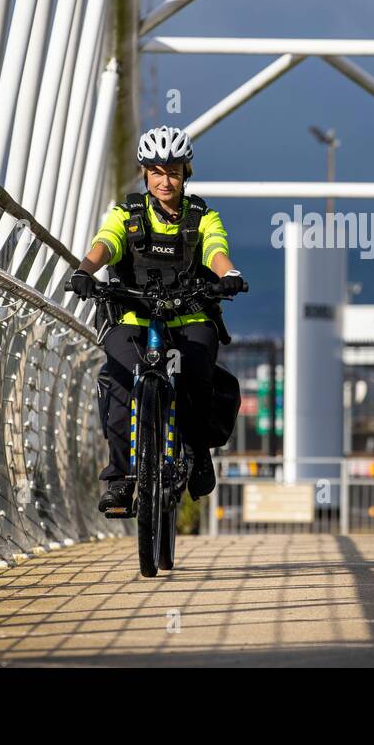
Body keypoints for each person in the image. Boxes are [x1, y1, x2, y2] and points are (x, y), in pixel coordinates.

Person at [68, 125, 246, 515]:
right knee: (118, 382)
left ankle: (198, 450)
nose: (165, 181)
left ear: (186, 173)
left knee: (197, 374)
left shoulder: (203, 216)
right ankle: (119, 480)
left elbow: (216, 249)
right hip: (133, 313)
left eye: (174, 172)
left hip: (189, 313)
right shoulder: (126, 214)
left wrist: (228, 274)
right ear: (145, 174)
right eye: (157, 172)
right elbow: (105, 244)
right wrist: (84, 271)